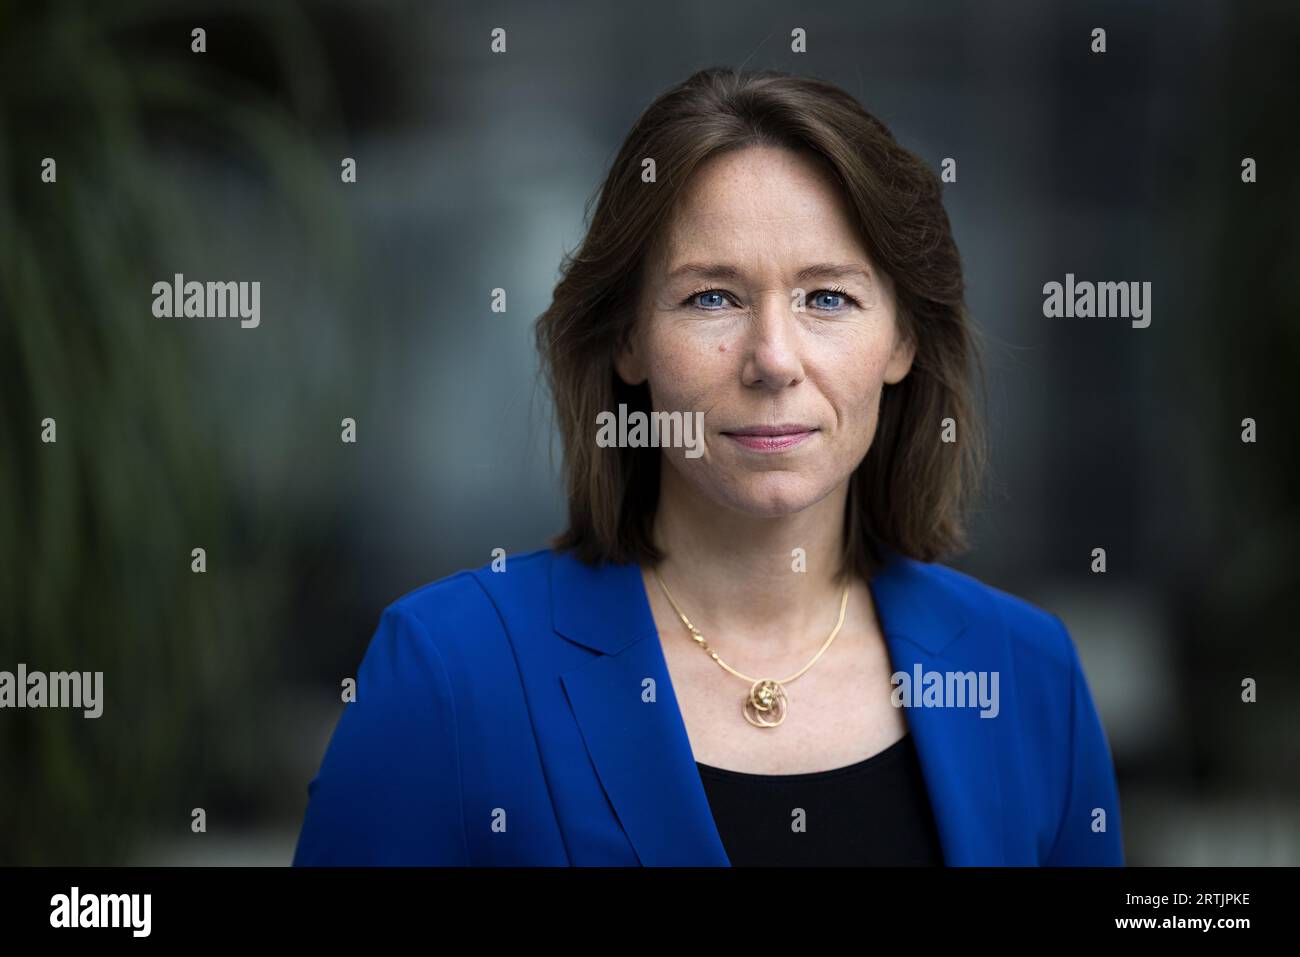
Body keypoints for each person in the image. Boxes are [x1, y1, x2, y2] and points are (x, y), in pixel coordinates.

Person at [292, 66, 1124, 867]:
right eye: (711, 297)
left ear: (902, 340)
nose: (772, 360)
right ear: (626, 340)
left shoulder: (1024, 672)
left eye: (826, 297)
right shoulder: (449, 672)